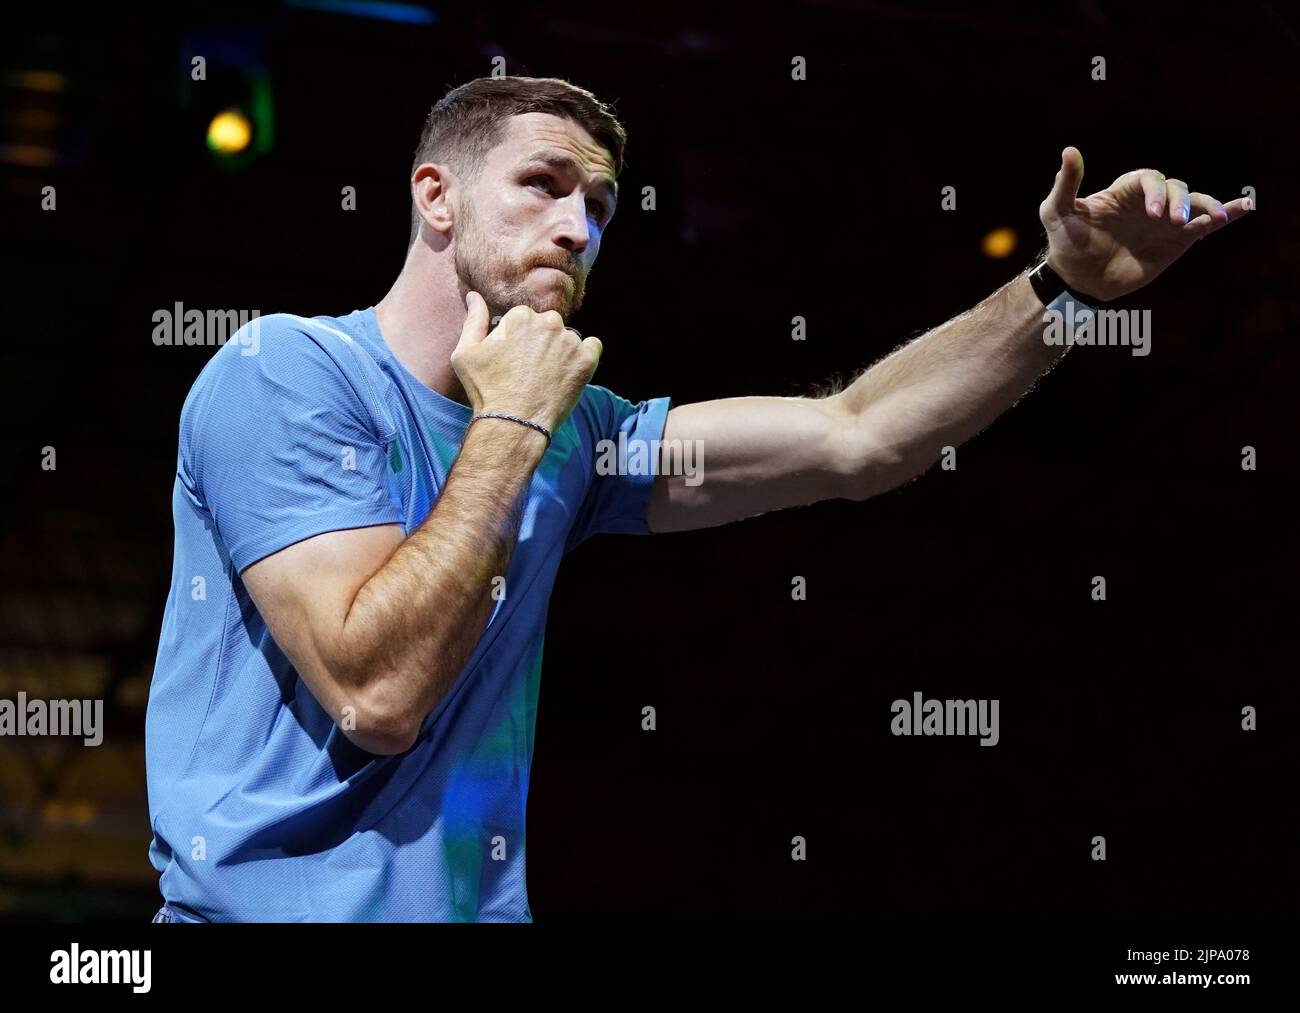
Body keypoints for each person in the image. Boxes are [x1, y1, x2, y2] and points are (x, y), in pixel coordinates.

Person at [144, 75, 1250, 922]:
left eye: (601, 203)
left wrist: (1062, 292)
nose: (578, 229)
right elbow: (377, 696)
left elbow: (857, 435)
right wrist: (515, 424)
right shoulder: (283, 372)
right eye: (541, 184)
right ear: (435, 194)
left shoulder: (577, 429)